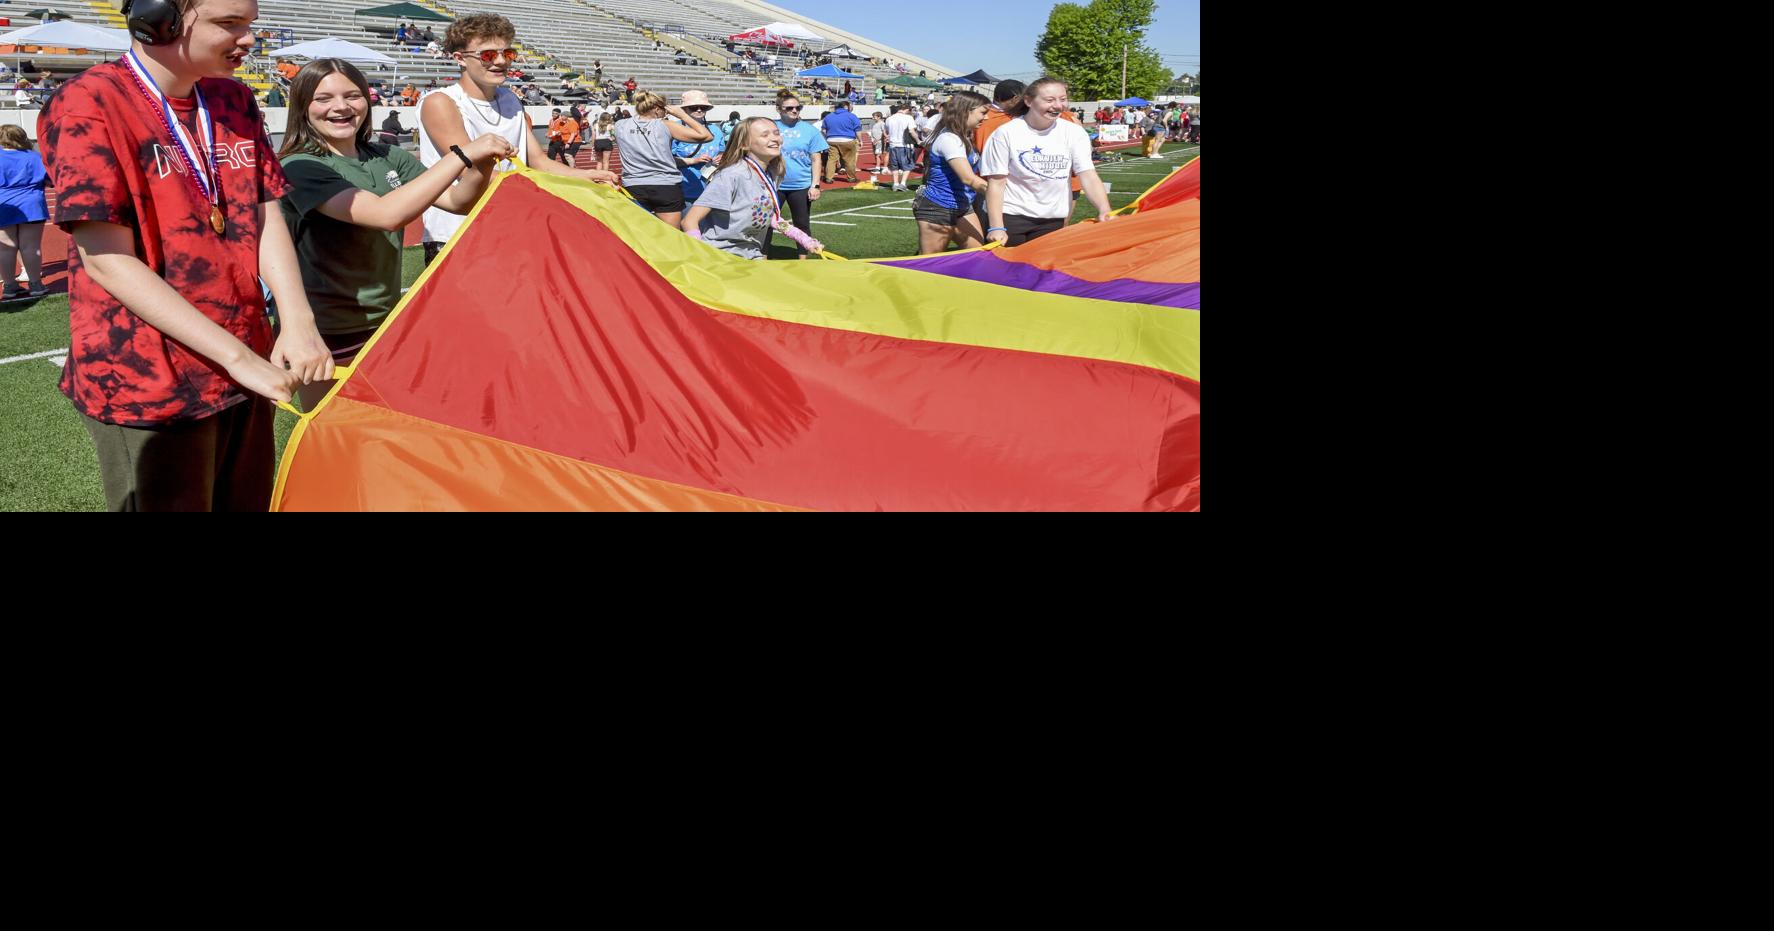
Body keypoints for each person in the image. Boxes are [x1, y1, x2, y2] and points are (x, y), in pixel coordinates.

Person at [38, 0, 332, 511]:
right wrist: (239, 358)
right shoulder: (88, 102)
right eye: (229, 24)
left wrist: (297, 321)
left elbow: (263, 212)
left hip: (247, 356)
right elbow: (106, 259)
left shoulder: (233, 97)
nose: (248, 39)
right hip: (152, 375)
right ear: (158, 19)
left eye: (249, 24)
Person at [278, 58, 515, 411]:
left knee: (394, 427)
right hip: (327, 330)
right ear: (302, 107)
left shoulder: (387, 155)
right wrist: (463, 154)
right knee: (338, 430)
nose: (341, 107)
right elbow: (386, 215)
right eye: (323, 98)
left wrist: (483, 163)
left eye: (352, 95)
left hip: (389, 320)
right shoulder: (299, 165)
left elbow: (458, 201)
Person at [418, 13, 616, 265]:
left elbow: (539, 162)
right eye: (488, 55)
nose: (501, 61)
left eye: (508, 53)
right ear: (460, 58)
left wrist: (587, 176)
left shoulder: (510, 99)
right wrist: (556, 192)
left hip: (511, 222)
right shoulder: (441, 102)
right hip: (459, 232)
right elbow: (471, 172)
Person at [980, 78, 1112, 247]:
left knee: (1045, 264)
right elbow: (996, 183)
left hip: (1053, 219)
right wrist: (996, 227)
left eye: (1062, 99)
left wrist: (1104, 209)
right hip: (1010, 217)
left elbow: (1088, 175)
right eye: (1049, 100)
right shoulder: (1006, 133)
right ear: (1028, 101)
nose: (1058, 106)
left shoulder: (1074, 132)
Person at [681, 117, 821, 260]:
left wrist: (804, 239)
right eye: (765, 135)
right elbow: (689, 221)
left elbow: (767, 215)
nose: (775, 139)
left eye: (776, 133)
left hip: (752, 254)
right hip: (721, 256)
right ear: (744, 145)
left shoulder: (772, 174)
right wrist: (702, 255)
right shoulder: (731, 175)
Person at [614, 90, 712, 227]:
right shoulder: (665, 125)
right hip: (665, 186)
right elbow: (706, 135)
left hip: (633, 185)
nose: (666, 113)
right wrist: (682, 115)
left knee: (638, 233)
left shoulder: (620, 125)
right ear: (656, 109)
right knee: (671, 234)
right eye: (664, 110)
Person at [912, 91, 990, 255]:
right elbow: (968, 178)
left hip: (962, 205)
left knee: (977, 254)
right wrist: (1003, 194)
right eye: (983, 113)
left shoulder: (964, 136)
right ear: (966, 111)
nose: (987, 117)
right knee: (930, 263)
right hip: (938, 206)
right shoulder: (949, 139)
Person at [772, 90, 826, 259]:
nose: (794, 111)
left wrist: (815, 185)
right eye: (789, 108)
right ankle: (762, 258)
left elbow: (816, 159)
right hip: (773, 185)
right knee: (766, 223)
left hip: (800, 186)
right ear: (779, 109)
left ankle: (803, 261)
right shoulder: (770, 128)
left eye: (798, 107)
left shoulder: (810, 131)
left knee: (802, 223)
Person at [0, 124, 50, 299]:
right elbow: (49, 181)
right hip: (31, 205)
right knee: (31, 246)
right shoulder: (35, 157)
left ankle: (9, 286)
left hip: (4, 205)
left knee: (5, 248)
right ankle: (36, 284)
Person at [671, 89, 725, 202]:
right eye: (694, 107)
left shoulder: (716, 130)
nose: (699, 110)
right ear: (684, 109)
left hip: (712, 189)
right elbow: (666, 160)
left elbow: (722, 151)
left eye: (703, 107)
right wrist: (694, 160)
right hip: (685, 190)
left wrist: (721, 157)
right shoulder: (673, 128)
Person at [819, 100, 860, 184]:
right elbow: (857, 129)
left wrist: (829, 136)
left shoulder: (828, 116)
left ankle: (828, 178)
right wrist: (860, 140)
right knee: (849, 160)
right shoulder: (851, 116)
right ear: (846, 107)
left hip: (831, 140)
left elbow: (823, 130)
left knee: (831, 159)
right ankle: (851, 178)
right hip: (848, 139)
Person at [883, 102, 917, 191]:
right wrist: (918, 140)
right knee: (908, 165)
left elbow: (886, 131)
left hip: (893, 145)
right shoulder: (908, 117)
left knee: (894, 165)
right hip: (905, 144)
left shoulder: (889, 119)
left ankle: (895, 184)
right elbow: (912, 131)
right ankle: (903, 183)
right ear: (907, 110)